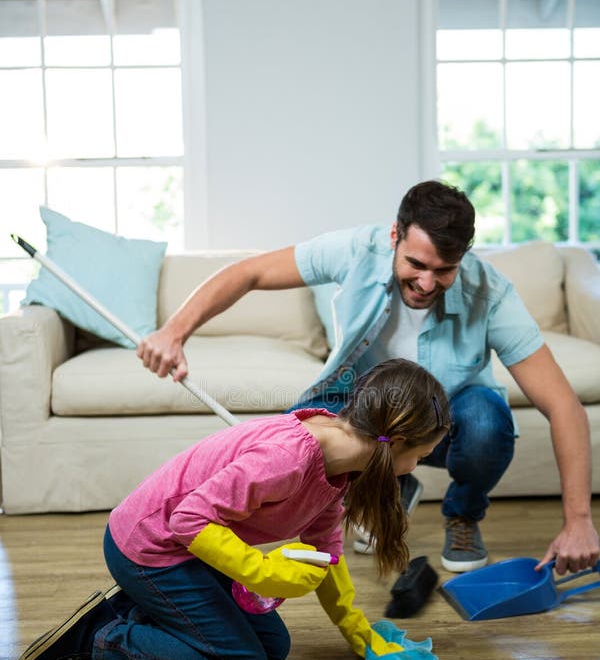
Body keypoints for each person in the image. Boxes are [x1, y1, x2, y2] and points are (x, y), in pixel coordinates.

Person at [134, 180, 599, 577]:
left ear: (464, 258)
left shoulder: (490, 292)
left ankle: (462, 515)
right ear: (394, 235)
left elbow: (563, 407)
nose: (426, 283)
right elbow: (250, 272)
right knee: (293, 437)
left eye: (444, 271)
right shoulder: (358, 249)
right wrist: (174, 331)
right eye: (416, 265)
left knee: (488, 425)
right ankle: (387, 487)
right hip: (360, 400)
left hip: (449, 413)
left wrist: (579, 519)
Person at [12, 359, 450, 660]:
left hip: (194, 551)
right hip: (149, 548)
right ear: (394, 443)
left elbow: (325, 550)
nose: (417, 467)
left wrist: (357, 630)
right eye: (421, 456)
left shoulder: (343, 466)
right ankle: (103, 636)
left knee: (275, 650)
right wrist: (259, 570)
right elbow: (187, 519)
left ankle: (146, 610)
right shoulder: (289, 458)